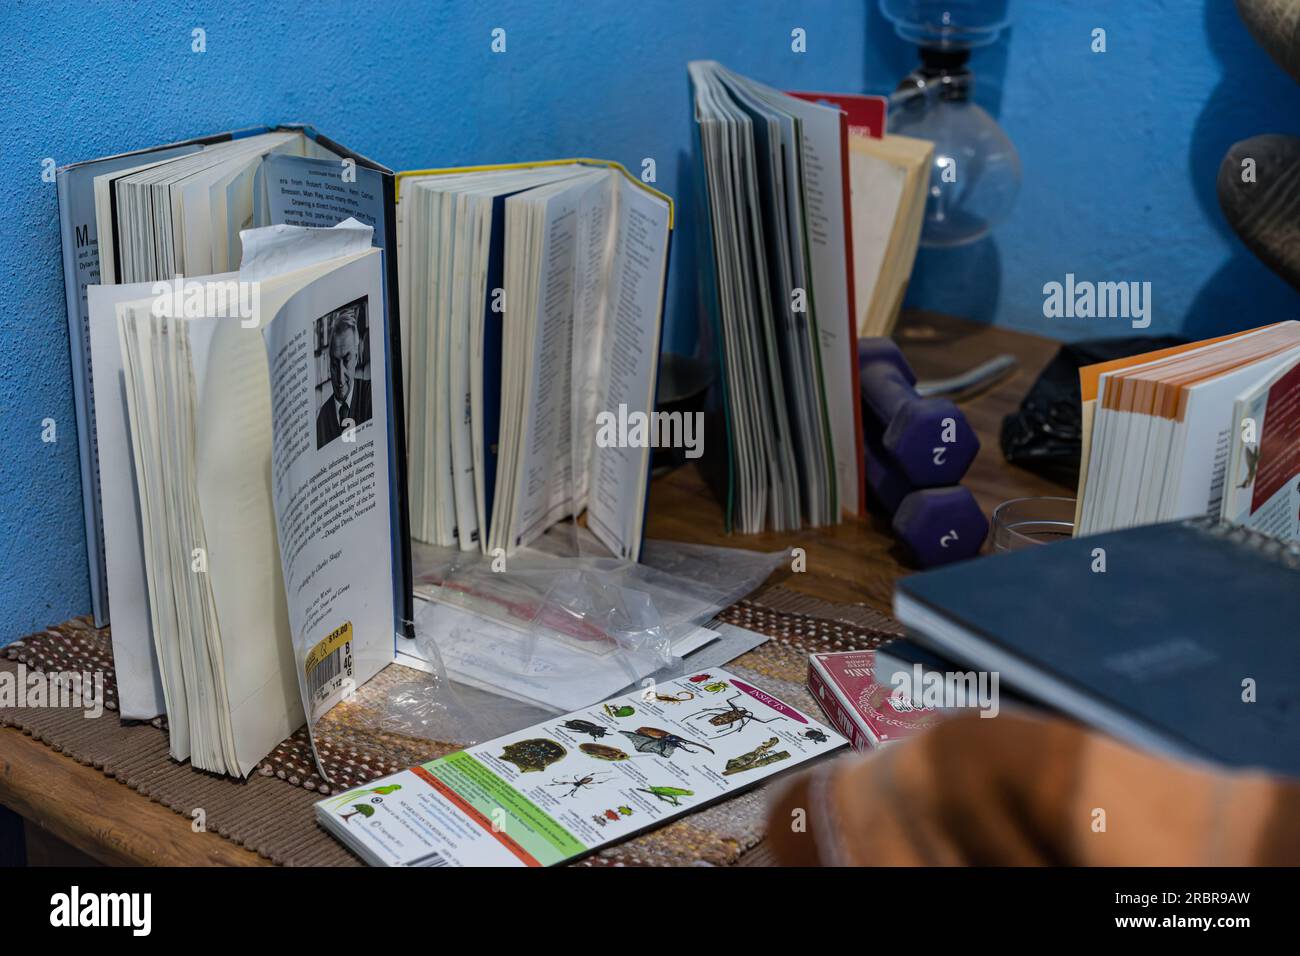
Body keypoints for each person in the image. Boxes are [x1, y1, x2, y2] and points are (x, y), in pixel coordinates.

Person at [316, 304, 373, 449]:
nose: (340, 378)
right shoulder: (323, 417)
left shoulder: (370, 395)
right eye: (335, 364)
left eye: (346, 361)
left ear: (356, 356)